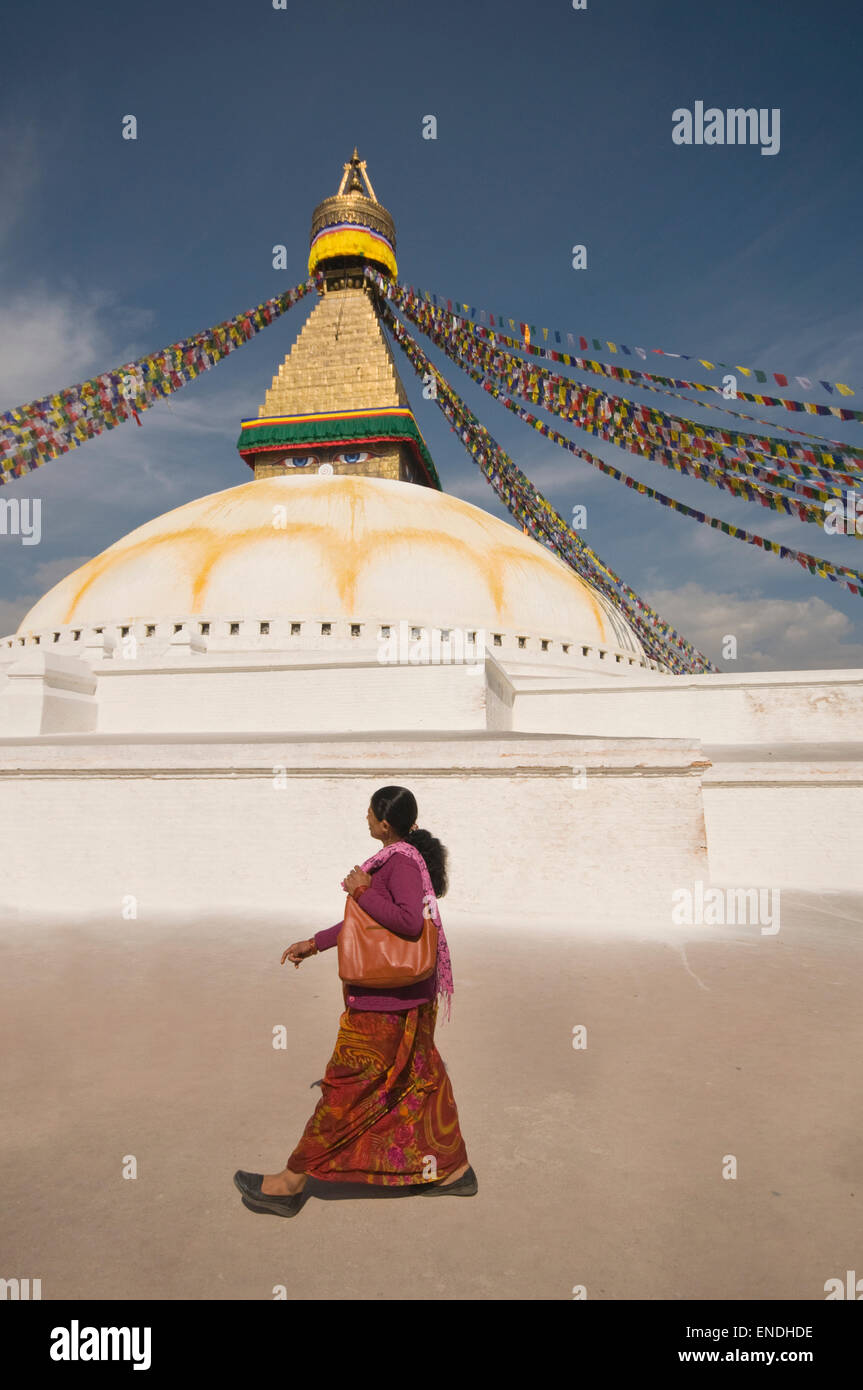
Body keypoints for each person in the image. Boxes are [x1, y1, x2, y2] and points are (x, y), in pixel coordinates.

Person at [234, 785, 477, 1217]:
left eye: (369, 813)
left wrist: (363, 891)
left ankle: (290, 1182)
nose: (364, 818)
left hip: (389, 1002)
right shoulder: (397, 858)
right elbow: (363, 926)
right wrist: (316, 942)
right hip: (406, 997)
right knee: (418, 1080)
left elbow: (404, 922)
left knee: (344, 1087)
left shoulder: (400, 861)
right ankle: (454, 1171)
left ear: (385, 824)